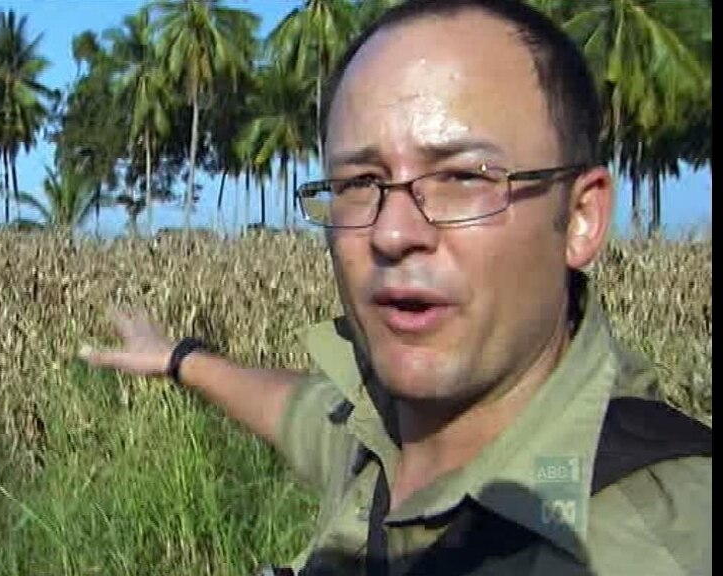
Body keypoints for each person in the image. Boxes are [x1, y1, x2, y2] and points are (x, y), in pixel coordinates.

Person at [80, 0, 712, 574]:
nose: (391, 232)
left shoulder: (651, 544)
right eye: (360, 183)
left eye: (463, 177)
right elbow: (300, 411)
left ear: (580, 219)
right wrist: (180, 358)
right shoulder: (385, 436)